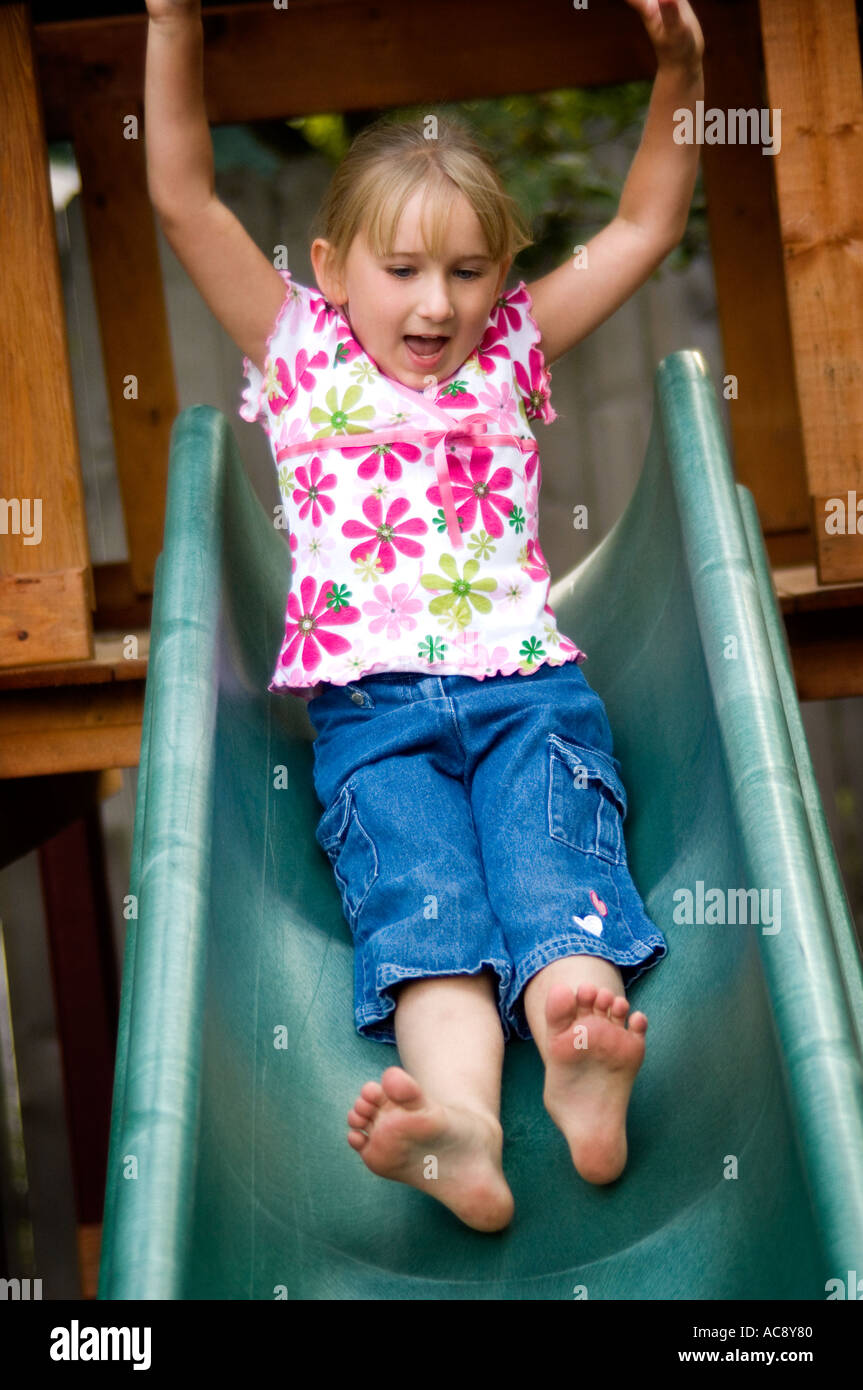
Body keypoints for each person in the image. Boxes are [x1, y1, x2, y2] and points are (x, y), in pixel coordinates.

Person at [144, 0, 704, 1232]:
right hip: (371, 718)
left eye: (466, 269)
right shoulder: (296, 350)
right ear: (334, 269)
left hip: (526, 694)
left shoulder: (510, 351)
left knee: (553, 878)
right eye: (400, 269)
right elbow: (185, 196)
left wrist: (680, 69)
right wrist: (171, 22)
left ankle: (577, 1048)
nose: (436, 303)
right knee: (428, 921)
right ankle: (462, 1127)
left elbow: (643, 223)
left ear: (501, 276)